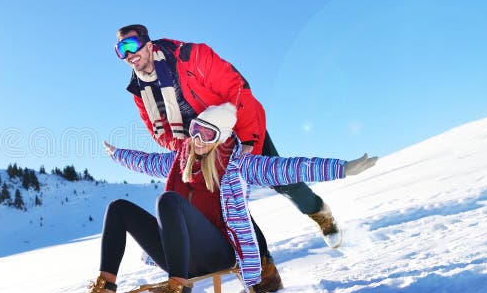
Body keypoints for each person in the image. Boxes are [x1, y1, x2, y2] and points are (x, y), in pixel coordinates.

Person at [65, 103, 377, 293]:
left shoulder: (238, 164)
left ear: (223, 138)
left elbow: (287, 167)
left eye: (207, 135)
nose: (198, 139)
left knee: (168, 202)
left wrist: (342, 168)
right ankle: (105, 288)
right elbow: (144, 161)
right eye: (195, 130)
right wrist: (117, 153)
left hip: (218, 252)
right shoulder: (181, 158)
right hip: (181, 255)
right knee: (119, 207)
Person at [114, 24, 344, 248]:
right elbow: (160, 132)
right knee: (226, 204)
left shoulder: (190, 56)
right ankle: (262, 270)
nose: (129, 54)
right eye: (121, 50)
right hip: (201, 143)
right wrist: (188, 146)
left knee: (279, 179)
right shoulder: (139, 90)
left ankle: (320, 213)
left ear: (148, 43)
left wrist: (248, 139)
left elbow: (237, 89)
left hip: (237, 126)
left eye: (132, 45)